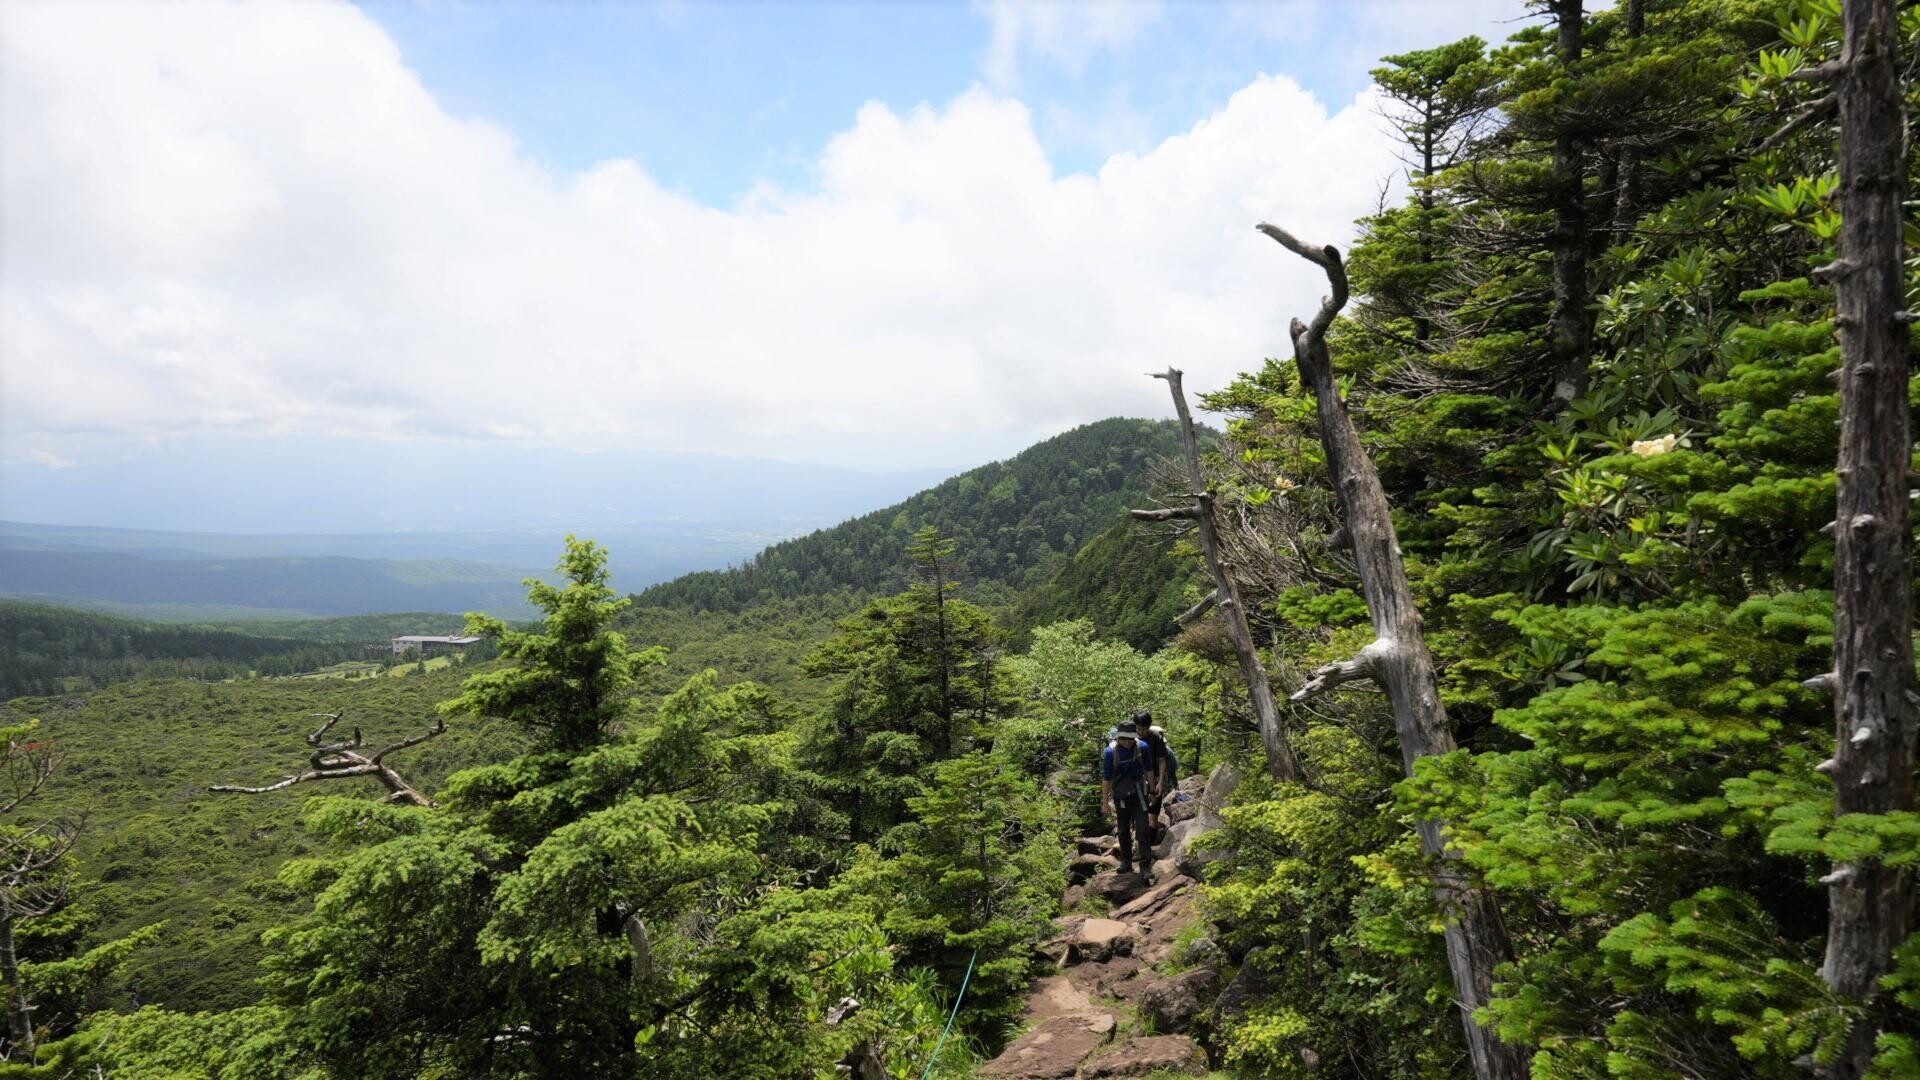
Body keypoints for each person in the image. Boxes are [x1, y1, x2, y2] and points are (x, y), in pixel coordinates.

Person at [1101, 718, 1157, 880]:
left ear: (1134, 737)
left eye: (1129, 738)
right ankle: (1126, 861)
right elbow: (1106, 778)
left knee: (1142, 828)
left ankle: (1145, 866)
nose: (1126, 742)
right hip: (1121, 796)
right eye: (1123, 738)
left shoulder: (1142, 748)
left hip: (1139, 795)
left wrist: (1153, 791)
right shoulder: (1111, 752)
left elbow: (1149, 770)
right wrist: (1105, 802)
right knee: (1123, 829)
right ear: (1118, 737)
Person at [1141, 717, 1177, 824]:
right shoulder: (1137, 741)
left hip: (1156, 780)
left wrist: (1163, 782)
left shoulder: (1167, 751)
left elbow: (1169, 768)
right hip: (1146, 780)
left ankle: (1150, 833)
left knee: (1153, 812)